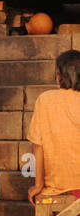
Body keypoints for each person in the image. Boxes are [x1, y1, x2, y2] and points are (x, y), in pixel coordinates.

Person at [28, 49, 80, 203]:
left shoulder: (46, 100)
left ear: (59, 77)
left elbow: (37, 145)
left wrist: (38, 185)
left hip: (59, 186)